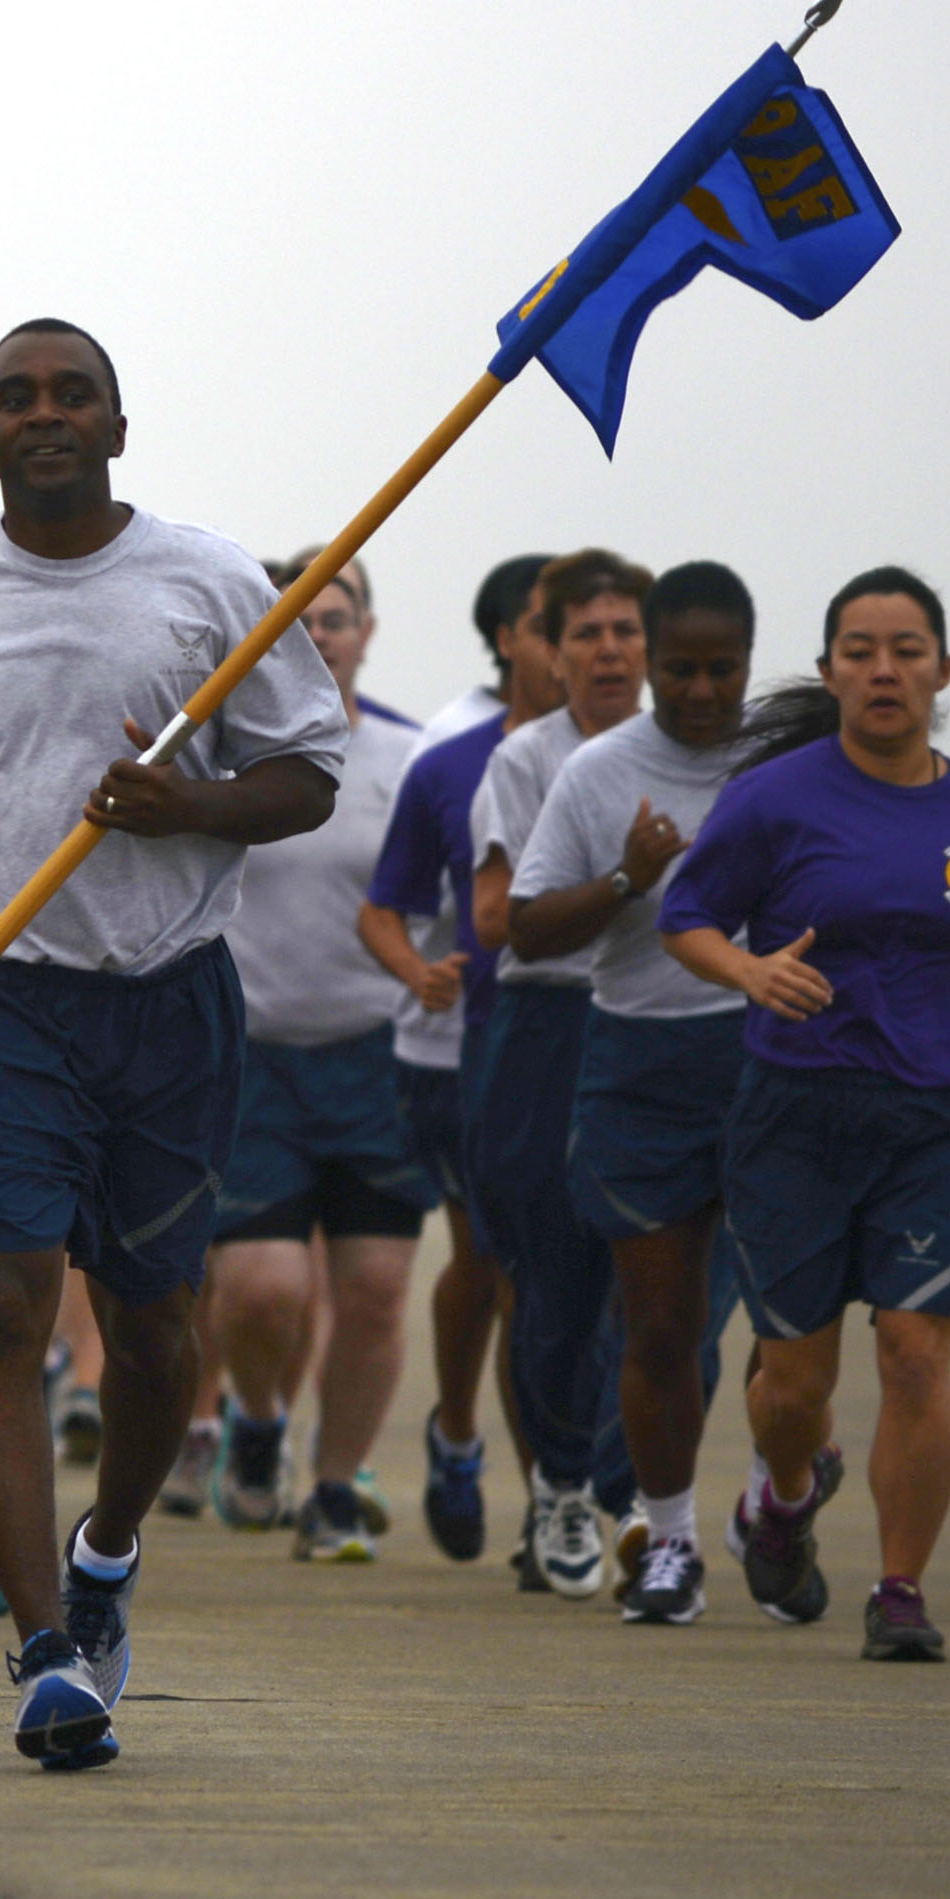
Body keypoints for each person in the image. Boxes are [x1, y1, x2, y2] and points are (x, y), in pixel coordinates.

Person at [0, 319, 345, 1771]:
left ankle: (104, 1552)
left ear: (115, 421)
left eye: (69, 396)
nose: (42, 417)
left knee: (161, 1325)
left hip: (167, 999)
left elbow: (305, 774)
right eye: (12, 401)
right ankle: (44, 1647)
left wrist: (193, 810)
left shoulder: (209, 580)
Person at [661, 569, 950, 1658]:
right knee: (794, 1385)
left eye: (906, 649)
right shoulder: (774, 800)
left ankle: (900, 1590)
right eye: (859, 649)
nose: (883, 668)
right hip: (795, 1113)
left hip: (938, 1113)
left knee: (914, 1350)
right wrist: (751, 972)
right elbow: (687, 916)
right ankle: (786, 1493)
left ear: (943, 671)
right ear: (829, 672)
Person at [508, 559, 758, 1624]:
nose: (700, 692)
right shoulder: (600, 770)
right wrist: (626, 877)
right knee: (660, 1324)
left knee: (785, 1325)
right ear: (651, 662)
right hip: (638, 1061)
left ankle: (783, 1492)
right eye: (680, 669)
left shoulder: (788, 760)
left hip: (766, 1056)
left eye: (722, 670)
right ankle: (670, 1540)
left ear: (751, 660)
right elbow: (523, 928)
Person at [204, 557, 432, 1559]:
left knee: (378, 1283)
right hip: (253, 1056)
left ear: (368, 631)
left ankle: (335, 1486)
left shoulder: (412, 761)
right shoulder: (219, 761)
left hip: (379, 1056)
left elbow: (461, 894)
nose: (318, 638)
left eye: (334, 620)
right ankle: (257, 1420)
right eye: (294, 623)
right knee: (262, 1288)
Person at [358, 552, 557, 1559]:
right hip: (453, 1054)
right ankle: (468, 1440)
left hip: (588, 1045)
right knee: (492, 1258)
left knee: (558, 1272)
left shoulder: (633, 752)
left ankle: (555, 1486)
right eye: (550, 622)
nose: (578, 644)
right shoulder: (450, 754)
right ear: (506, 638)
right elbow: (385, 906)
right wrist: (415, 969)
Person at [469, 548, 651, 1596]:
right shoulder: (524, 760)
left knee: (664, 1285)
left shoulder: (694, 754)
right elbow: (499, 921)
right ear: (547, 649)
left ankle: (628, 1492)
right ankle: (559, 1485)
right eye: (585, 632)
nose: (609, 649)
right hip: (547, 1024)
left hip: (663, 1022)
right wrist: (623, 881)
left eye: (627, 630)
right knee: (551, 1281)